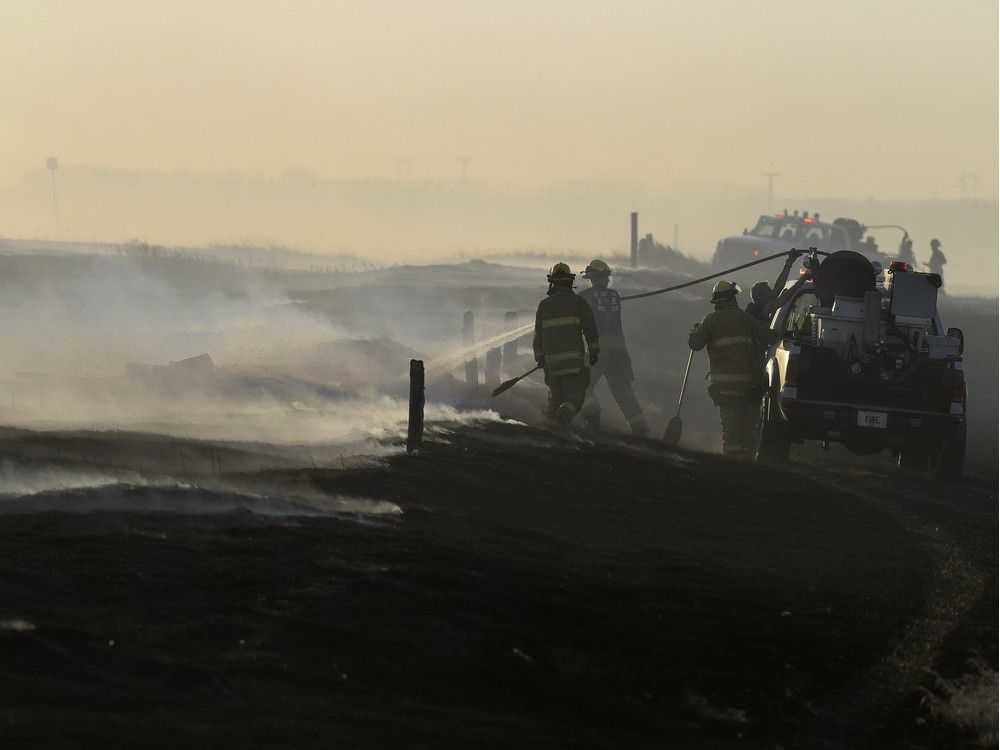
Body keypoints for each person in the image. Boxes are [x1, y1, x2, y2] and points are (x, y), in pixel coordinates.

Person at [688, 280, 781, 459]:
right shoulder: (746, 318)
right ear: (732, 298)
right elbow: (768, 336)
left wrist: (693, 332)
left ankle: (731, 462)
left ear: (718, 302)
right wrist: (782, 333)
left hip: (723, 384)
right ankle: (747, 460)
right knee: (746, 424)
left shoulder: (711, 320)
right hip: (746, 383)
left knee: (730, 426)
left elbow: (695, 344)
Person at [576, 259, 648, 436]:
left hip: (600, 346)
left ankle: (593, 421)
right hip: (619, 346)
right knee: (623, 390)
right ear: (606, 277)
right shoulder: (615, 295)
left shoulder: (584, 296)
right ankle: (640, 428)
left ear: (591, 278)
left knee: (581, 384)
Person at [533, 263, 600, 432]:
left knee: (555, 399)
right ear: (570, 281)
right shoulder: (578, 302)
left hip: (552, 366)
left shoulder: (544, 305)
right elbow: (591, 328)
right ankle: (562, 416)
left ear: (553, 282)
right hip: (573, 363)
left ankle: (552, 431)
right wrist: (594, 351)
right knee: (576, 396)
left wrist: (540, 358)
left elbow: (537, 336)